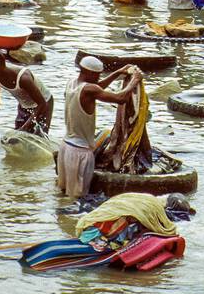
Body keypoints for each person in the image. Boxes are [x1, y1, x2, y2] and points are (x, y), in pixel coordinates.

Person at [56, 58, 142, 199]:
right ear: (89, 73)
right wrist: (135, 81)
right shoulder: (90, 89)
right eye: (97, 75)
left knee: (63, 195)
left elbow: (97, 88)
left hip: (65, 148)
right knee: (77, 199)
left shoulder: (72, 83)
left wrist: (117, 73)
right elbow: (121, 98)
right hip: (80, 153)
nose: (99, 78)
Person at [0, 52, 54, 135]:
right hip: (25, 105)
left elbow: (42, 103)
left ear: (0, 68)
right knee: (18, 138)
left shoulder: (24, 78)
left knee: (39, 137)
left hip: (44, 104)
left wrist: (25, 127)